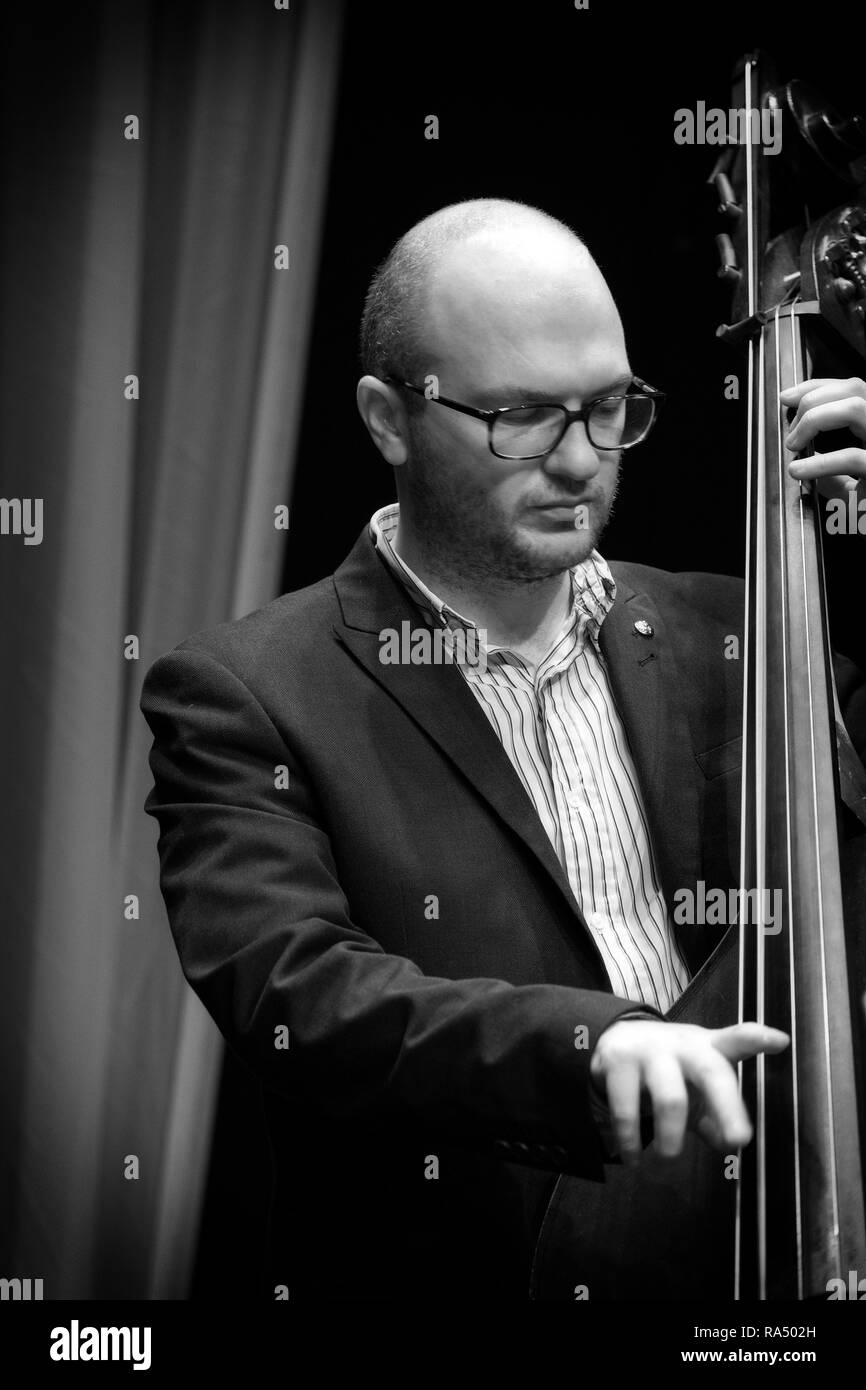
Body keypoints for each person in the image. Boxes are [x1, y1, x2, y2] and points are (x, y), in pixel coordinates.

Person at [140, 198, 866, 1300]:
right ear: (388, 418)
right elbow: (302, 996)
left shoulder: (743, 636)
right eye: (523, 416)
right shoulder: (246, 693)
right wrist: (591, 1048)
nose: (580, 462)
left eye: (610, 407)